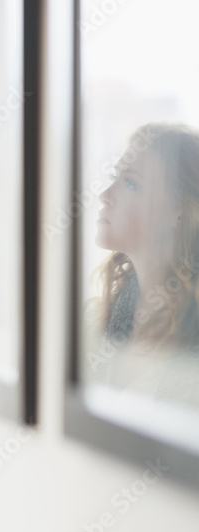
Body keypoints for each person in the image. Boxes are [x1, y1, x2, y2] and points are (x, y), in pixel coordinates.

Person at [87, 122, 199, 404]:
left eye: (131, 183)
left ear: (179, 211)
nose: (105, 195)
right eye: (115, 176)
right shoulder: (101, 314)